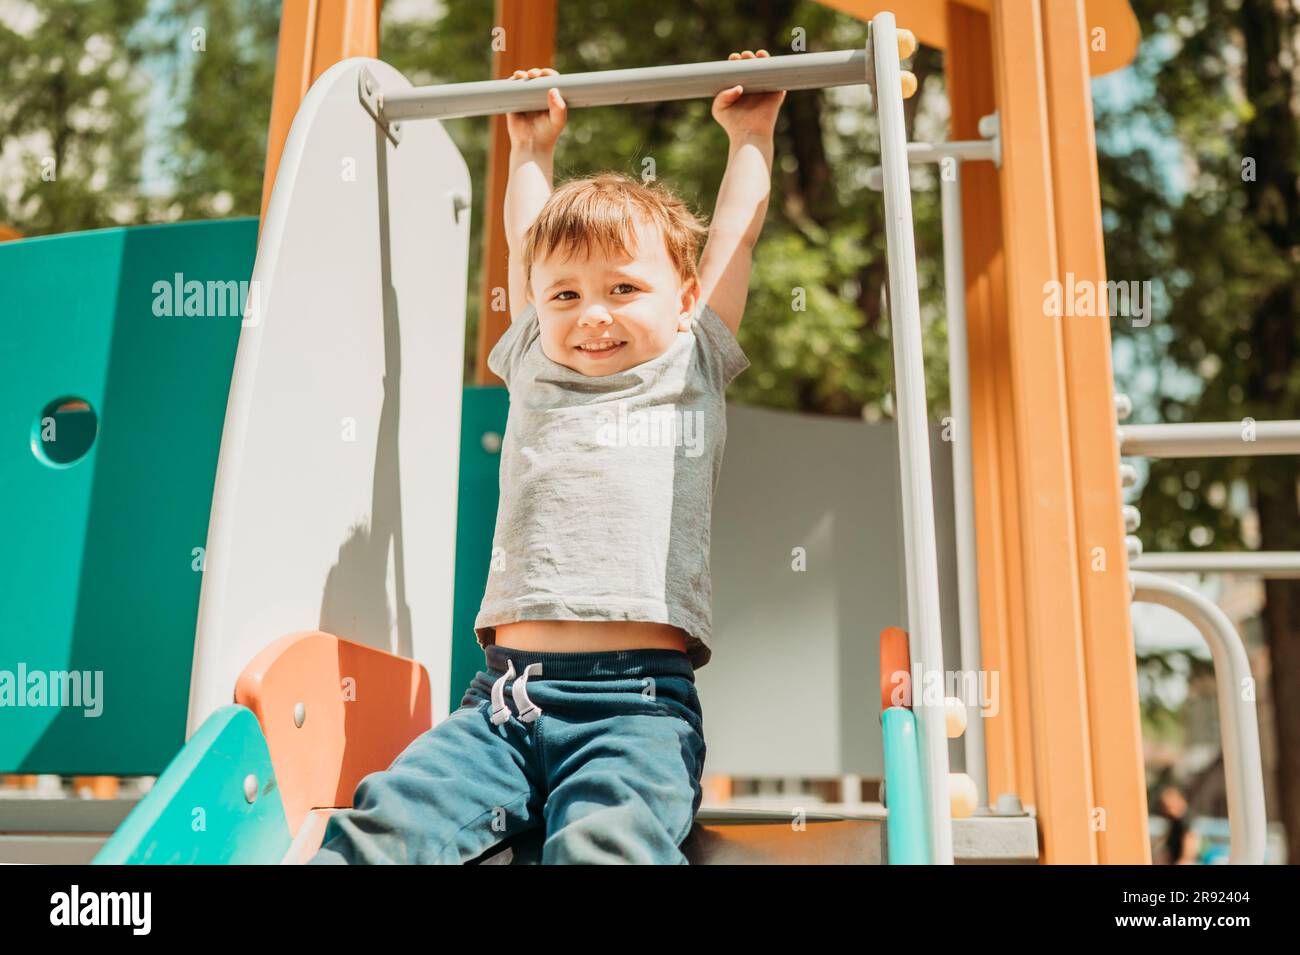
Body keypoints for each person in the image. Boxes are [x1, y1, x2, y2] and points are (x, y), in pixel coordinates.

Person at [310, 51, 785, 864]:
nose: (590, 314)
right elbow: (528, 244)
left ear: (683, 299)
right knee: (388, 819)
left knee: (609, 841)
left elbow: (734, 240)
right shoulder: (535, 359)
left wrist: (750, 134)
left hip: (636, 707)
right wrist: (530, 151)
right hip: (500, 698)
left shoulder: (689, 360)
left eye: (623, 289)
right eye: (565, 295)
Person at [1154, 785, 1200, 864]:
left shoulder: (1186, 820)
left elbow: (1189, 847)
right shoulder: (1175, 820)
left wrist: (1183, 860)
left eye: (1169, 806)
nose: (1167, 810)